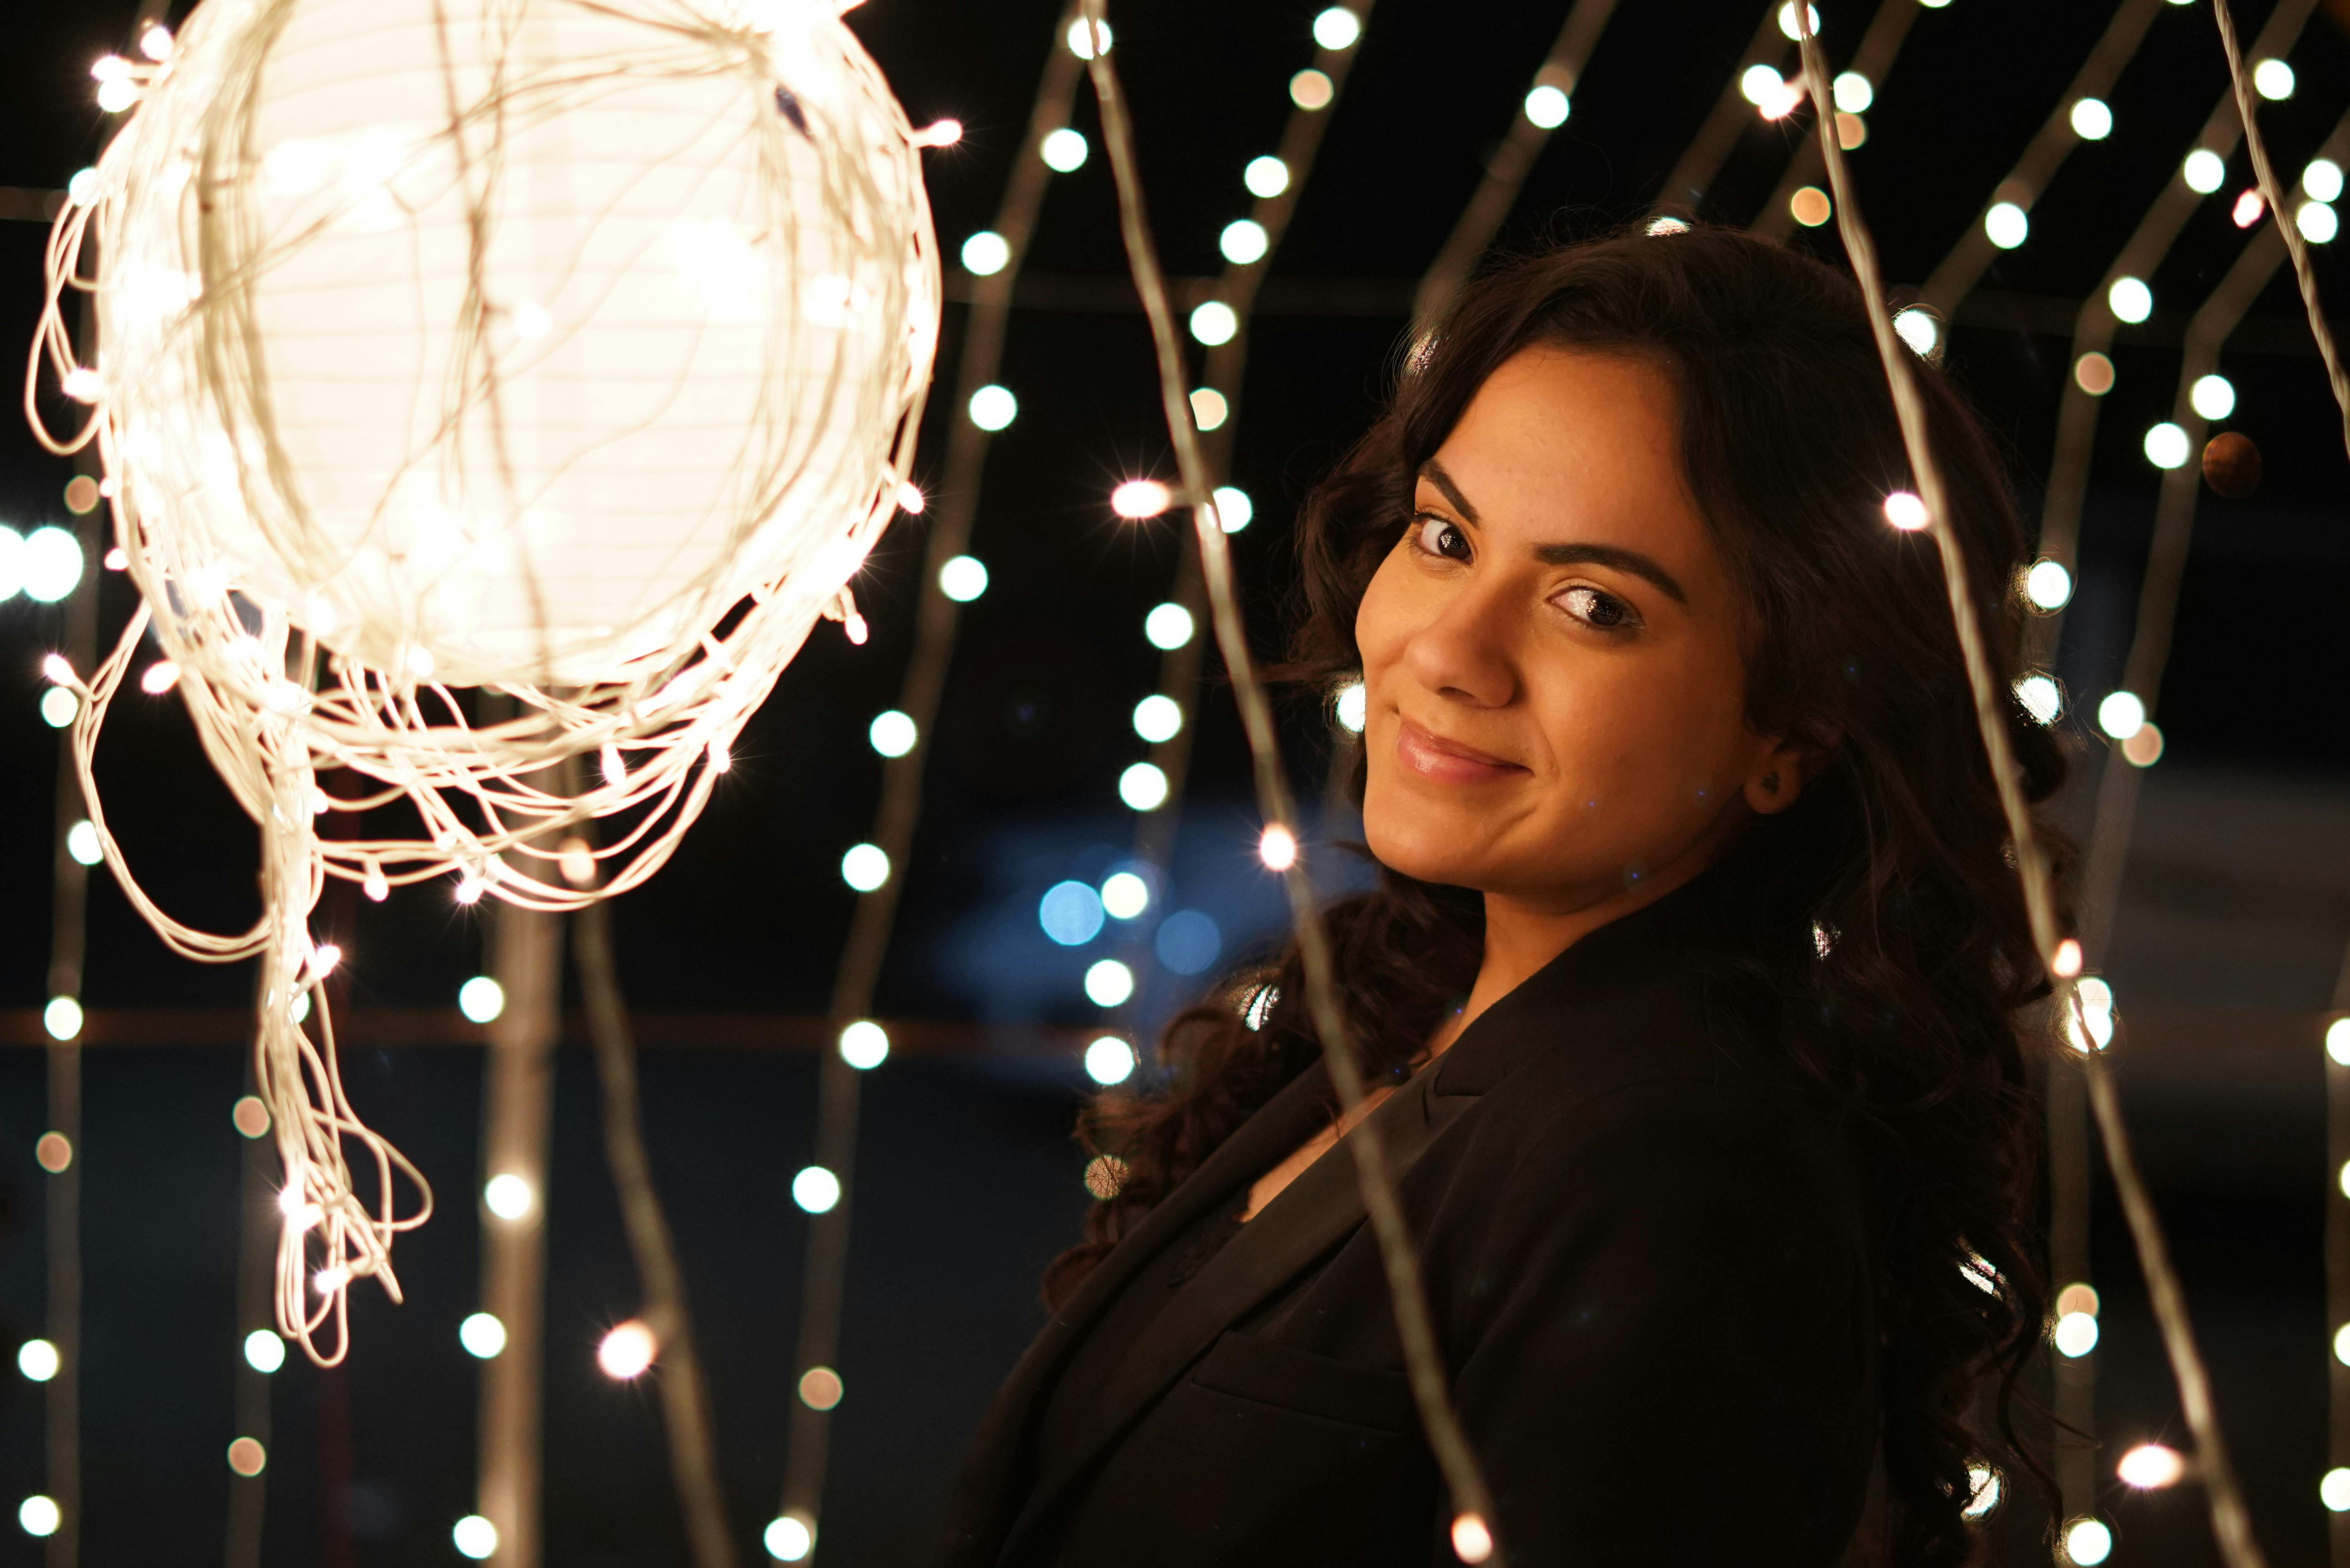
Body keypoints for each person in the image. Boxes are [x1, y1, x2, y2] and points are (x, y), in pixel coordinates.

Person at [936, 226, 2065, 1568]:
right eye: (1444, 535)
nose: (1449, 649)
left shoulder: (1682, 1171)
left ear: (1795, 736)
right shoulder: (1411, 1013)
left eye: (1593, 604)